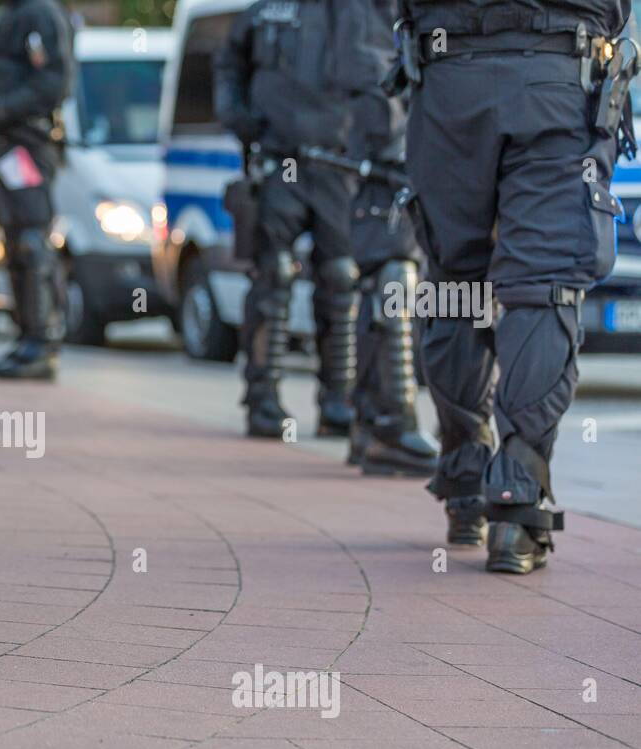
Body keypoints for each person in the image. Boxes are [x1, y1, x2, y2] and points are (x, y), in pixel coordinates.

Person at [399, 0, 632, 572]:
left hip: (449, 74)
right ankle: (517, 507)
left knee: (453, 285)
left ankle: (464, 486)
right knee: (544, 287)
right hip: (560, 73)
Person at [214, 0, 370, 438]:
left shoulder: (356, 11)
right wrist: (240, 120)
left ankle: (338, 401)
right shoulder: (265, 10)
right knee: (273, 276)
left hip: (338, 163)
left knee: (342, 278)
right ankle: (263, 399)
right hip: (279, 159)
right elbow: (228, 65)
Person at [345, 0, 439, 478]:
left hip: (397, 159)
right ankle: (390, 424)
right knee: (392, 280)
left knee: (388, 287)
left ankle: (373, 426)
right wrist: (403, 148)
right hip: (384, 166)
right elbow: (369, 70)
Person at [0, 0, 74, 382]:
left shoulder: (40, 14)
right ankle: (27, 339)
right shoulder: (16, 14)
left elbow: (55, 82)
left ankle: (42, 342)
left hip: (29, 142)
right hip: (9, 144)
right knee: (17, 243)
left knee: (33, 242)